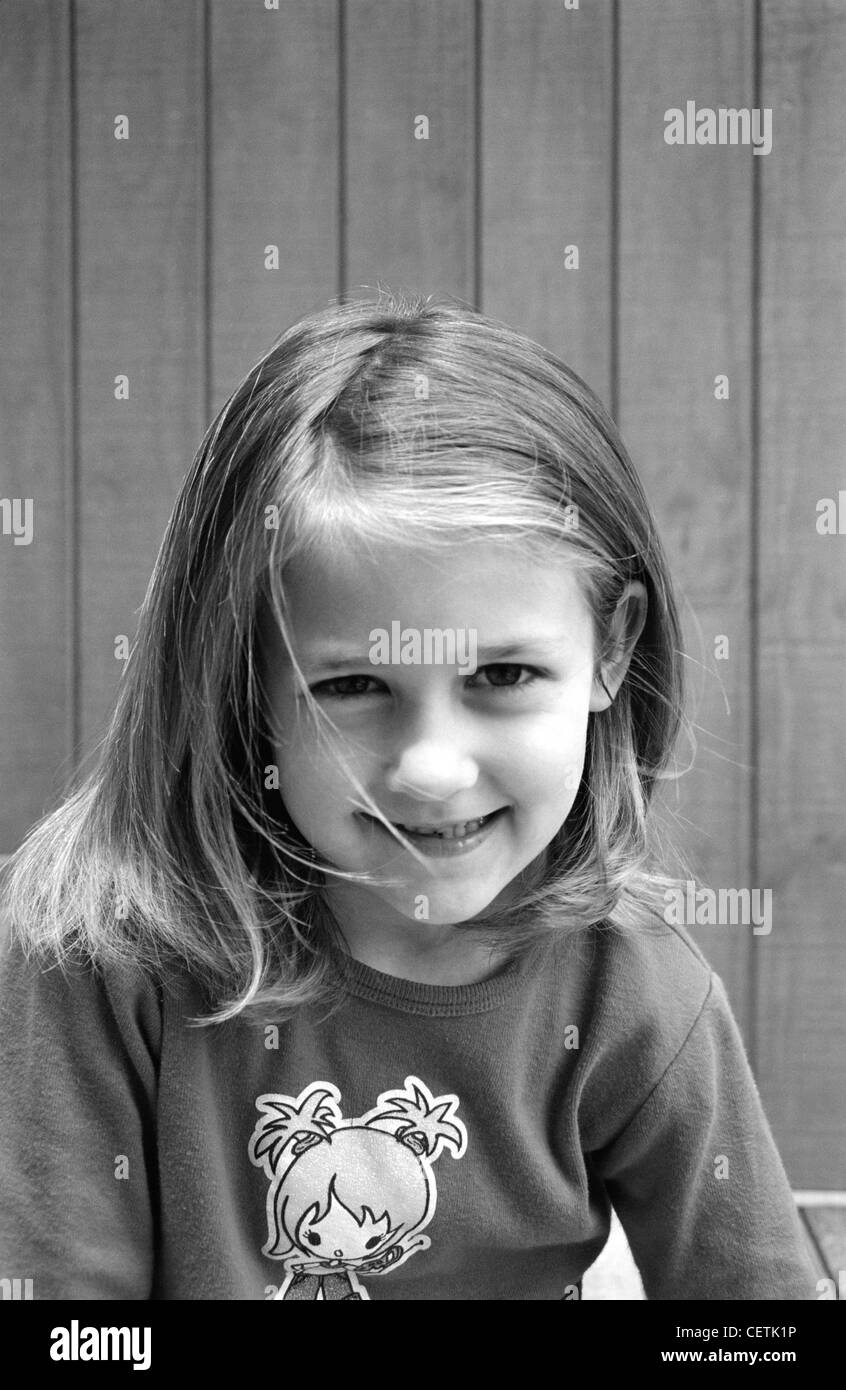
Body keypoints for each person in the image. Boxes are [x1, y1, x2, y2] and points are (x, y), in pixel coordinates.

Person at [0, 292, 818, 1301]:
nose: (431, 767)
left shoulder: (633, 989)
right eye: (351, 688)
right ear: (243, 681)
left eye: (504, 676)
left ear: (610, 648)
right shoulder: (101, 958)